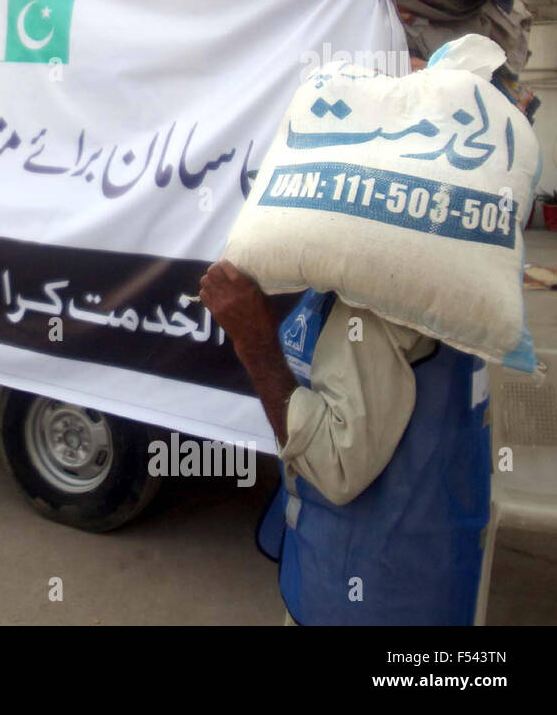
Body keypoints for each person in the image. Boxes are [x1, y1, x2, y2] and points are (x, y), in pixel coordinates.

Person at [198, 260, 490, 625]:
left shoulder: (374, 303)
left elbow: (334, 466)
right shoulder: (423, 277)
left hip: (374, 586)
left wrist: (255, 343)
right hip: (414, 562)